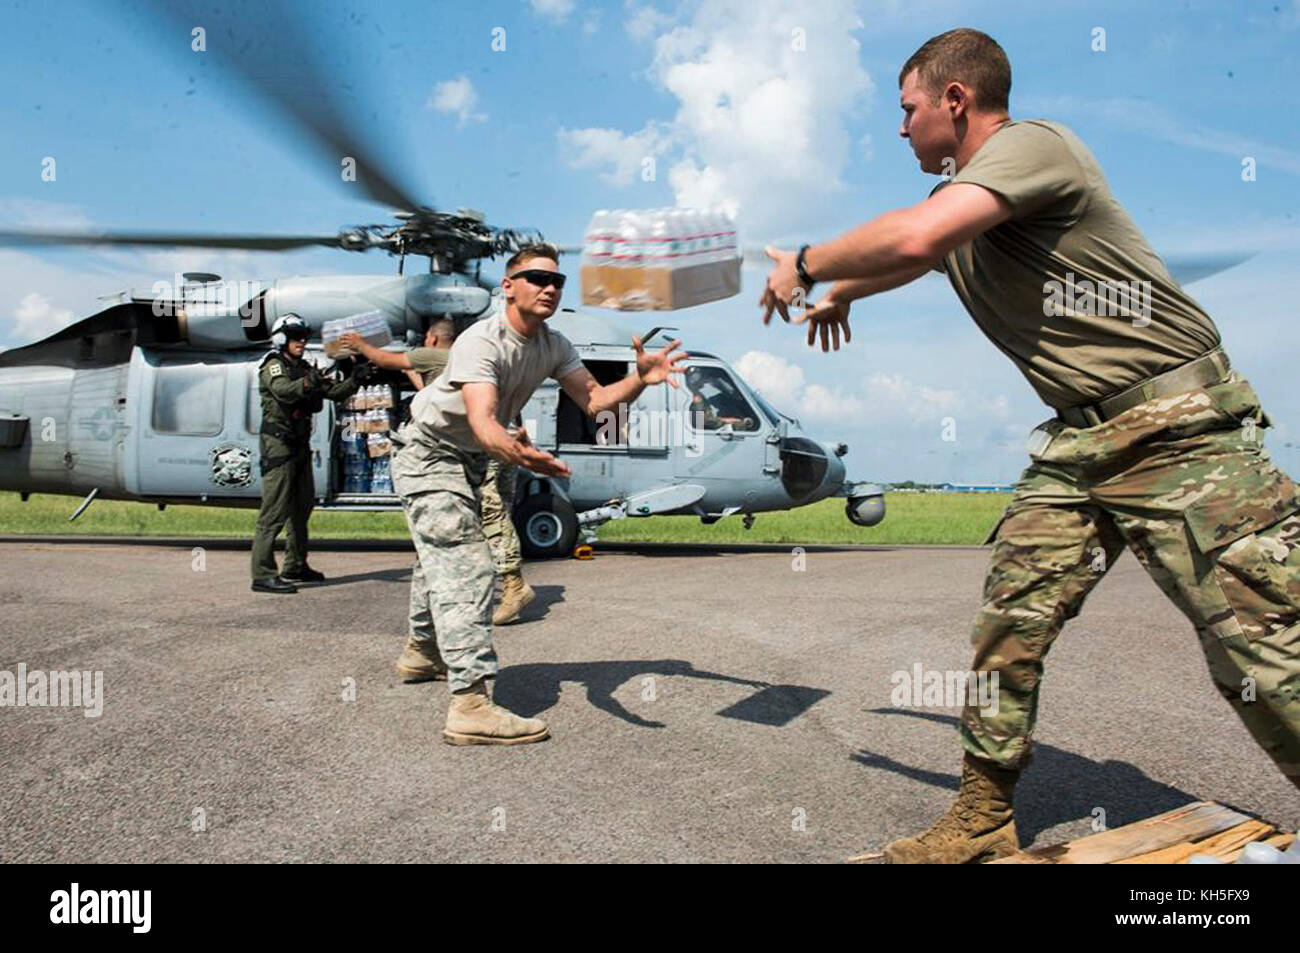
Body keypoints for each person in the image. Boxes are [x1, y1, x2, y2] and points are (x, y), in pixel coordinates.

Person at [761, 28, 1300, 862]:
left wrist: (802, 260)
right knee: (1009, 625)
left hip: (1179, 430)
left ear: (955, 100)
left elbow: (914, 238)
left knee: (1258, 645)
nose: (898, 129)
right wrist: (840, 293)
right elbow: (920, 258)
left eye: (906, 110)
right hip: (1080, 443)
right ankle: (983, 813)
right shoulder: (970, 208)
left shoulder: (1034, 149)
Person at [389, 242, 685, 745]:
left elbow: (595, 400)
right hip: (430, 454)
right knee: (469, 565)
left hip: (472, 458)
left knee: (435, 559)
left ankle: (422, 654)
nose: (550, 287)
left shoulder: (553, 344)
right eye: (536, 279)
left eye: (558, 281)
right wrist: (514, 452)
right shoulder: (481, 342)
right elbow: (483, 420)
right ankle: (471, 704)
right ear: (508, 287)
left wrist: (639, 379)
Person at [250, 313, 361, 593]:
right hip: (279, 446)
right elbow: (285, 392)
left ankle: (295, 565)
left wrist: (356, 379)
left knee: (302, 508)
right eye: (295, 336)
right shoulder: (273, 366)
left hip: (300, 445)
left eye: (303, 336)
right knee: (274, 511)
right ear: (281, 338)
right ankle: (262, 573)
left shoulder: (303, 368)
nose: (301, 341)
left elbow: (334, 393)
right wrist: (309, 383)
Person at [338, 316, 457, 389]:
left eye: (426, 338)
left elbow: (384, 360)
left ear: (433, 339)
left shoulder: (430, 355)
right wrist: (410, 371)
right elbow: (427, 391)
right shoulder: (457, 357)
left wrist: (360, 345)